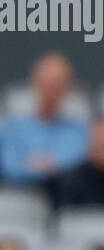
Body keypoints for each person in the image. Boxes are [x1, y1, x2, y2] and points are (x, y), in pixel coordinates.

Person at [0, 53, 88, 186]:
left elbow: (77, 164)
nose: (52, 87)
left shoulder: (80, 130)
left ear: (69, 86)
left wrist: (45, 165)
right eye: (47, 81)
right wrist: (44, 167)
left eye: (58, 82)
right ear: (34, 82)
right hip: (21, 195)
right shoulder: (14, 127)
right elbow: (9, 166)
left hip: (64, 196)